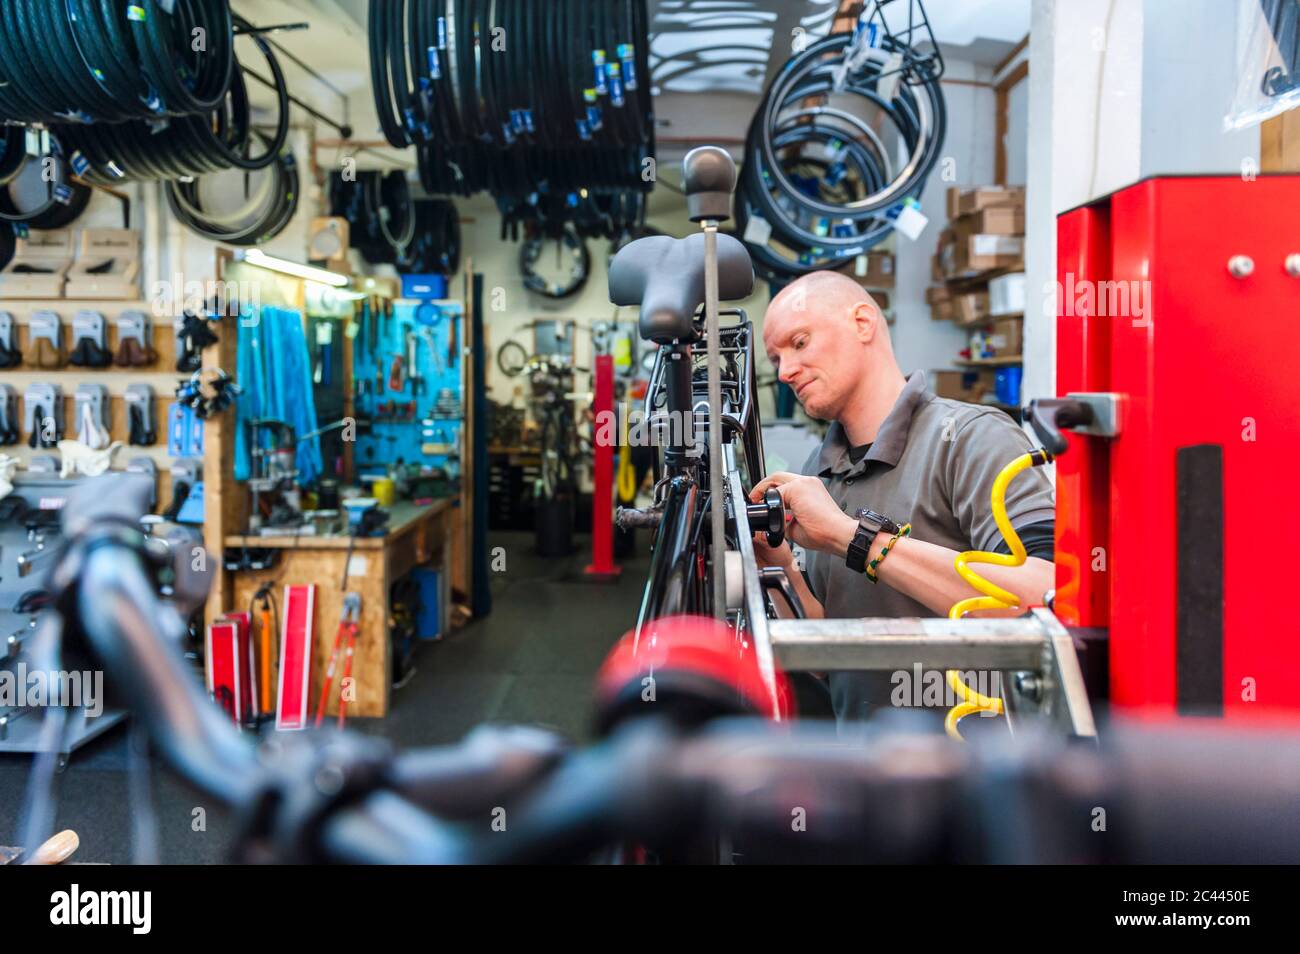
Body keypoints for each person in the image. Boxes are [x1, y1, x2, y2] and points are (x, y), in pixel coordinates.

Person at [750, 270, 1055, 725]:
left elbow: (1044, 600)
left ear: (862, 323)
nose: (785, 371)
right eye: (775, 358)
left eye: (799, 343)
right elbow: (828, 660)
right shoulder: (819, 467)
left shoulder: (972, 438)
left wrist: (850, 537)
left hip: (972, 773)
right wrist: (783, 569)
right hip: (864, 768)